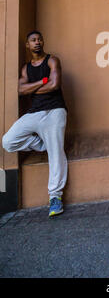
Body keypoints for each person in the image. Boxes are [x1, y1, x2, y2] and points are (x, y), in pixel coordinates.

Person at [2, 31, 68, 217]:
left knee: (56, 153)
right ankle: (45, 143)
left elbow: (54, 85)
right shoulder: (25, 69)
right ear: (27, 45)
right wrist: (42, 82)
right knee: (8, 141)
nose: (37, 42)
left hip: (55, 110)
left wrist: (32, 88)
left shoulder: (52, 60)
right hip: (34, 114)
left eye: (39, 39)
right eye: (33, 40)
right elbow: (20, 90)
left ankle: (55, 197)